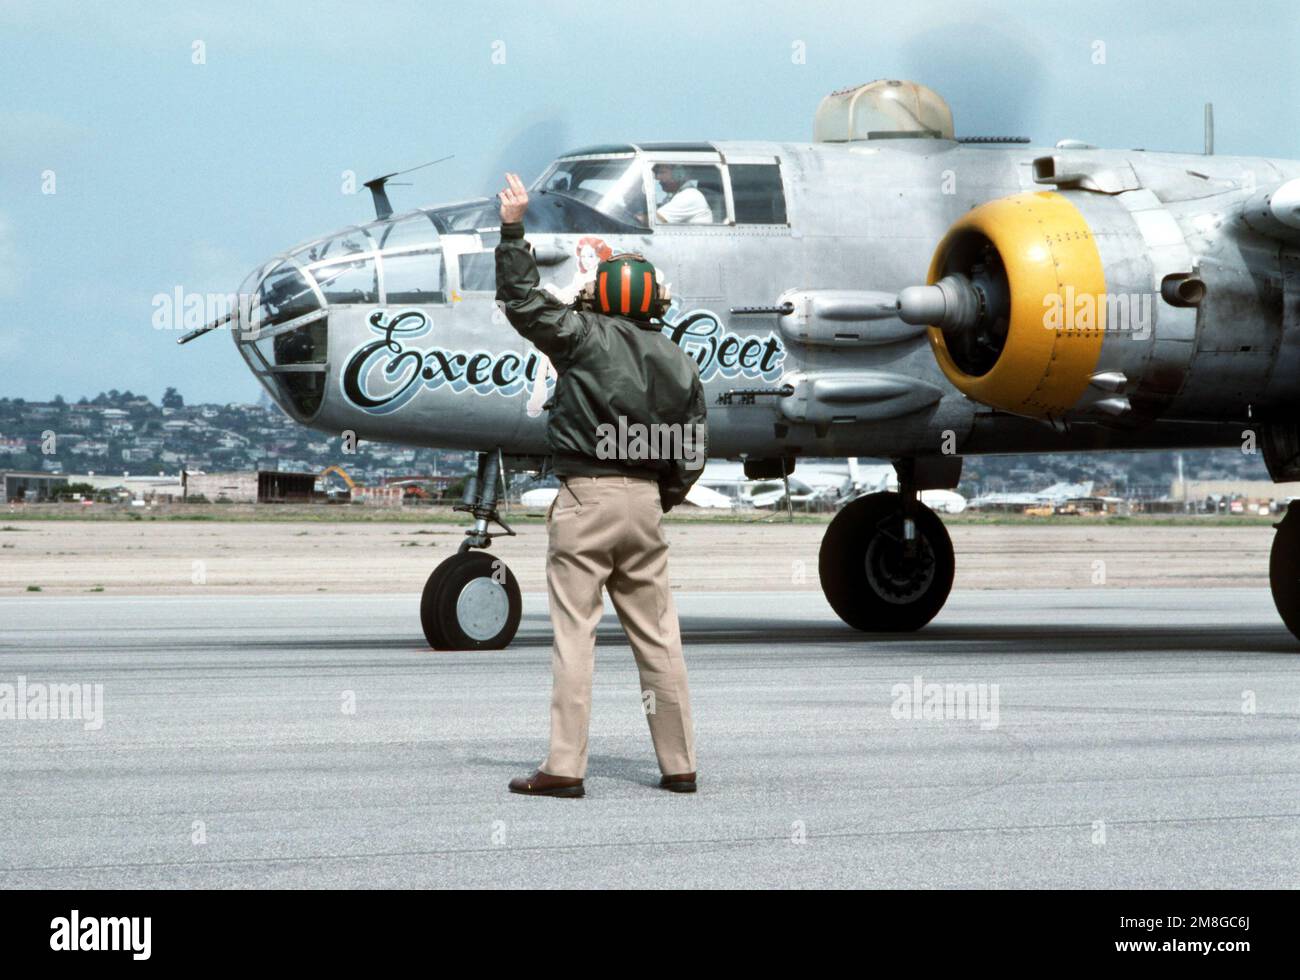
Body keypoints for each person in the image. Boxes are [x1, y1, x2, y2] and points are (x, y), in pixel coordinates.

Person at [494, 172, 707, 798]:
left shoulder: (581, 336)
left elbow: (523, 299)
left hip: (586, 499)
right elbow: (693, 447)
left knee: (574, 637)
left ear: (601, 297)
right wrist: (657, 496)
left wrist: (514, 227)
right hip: (646, 506)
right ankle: (680, 766)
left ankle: (564, 768)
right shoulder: (680, 360)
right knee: (660, 640)